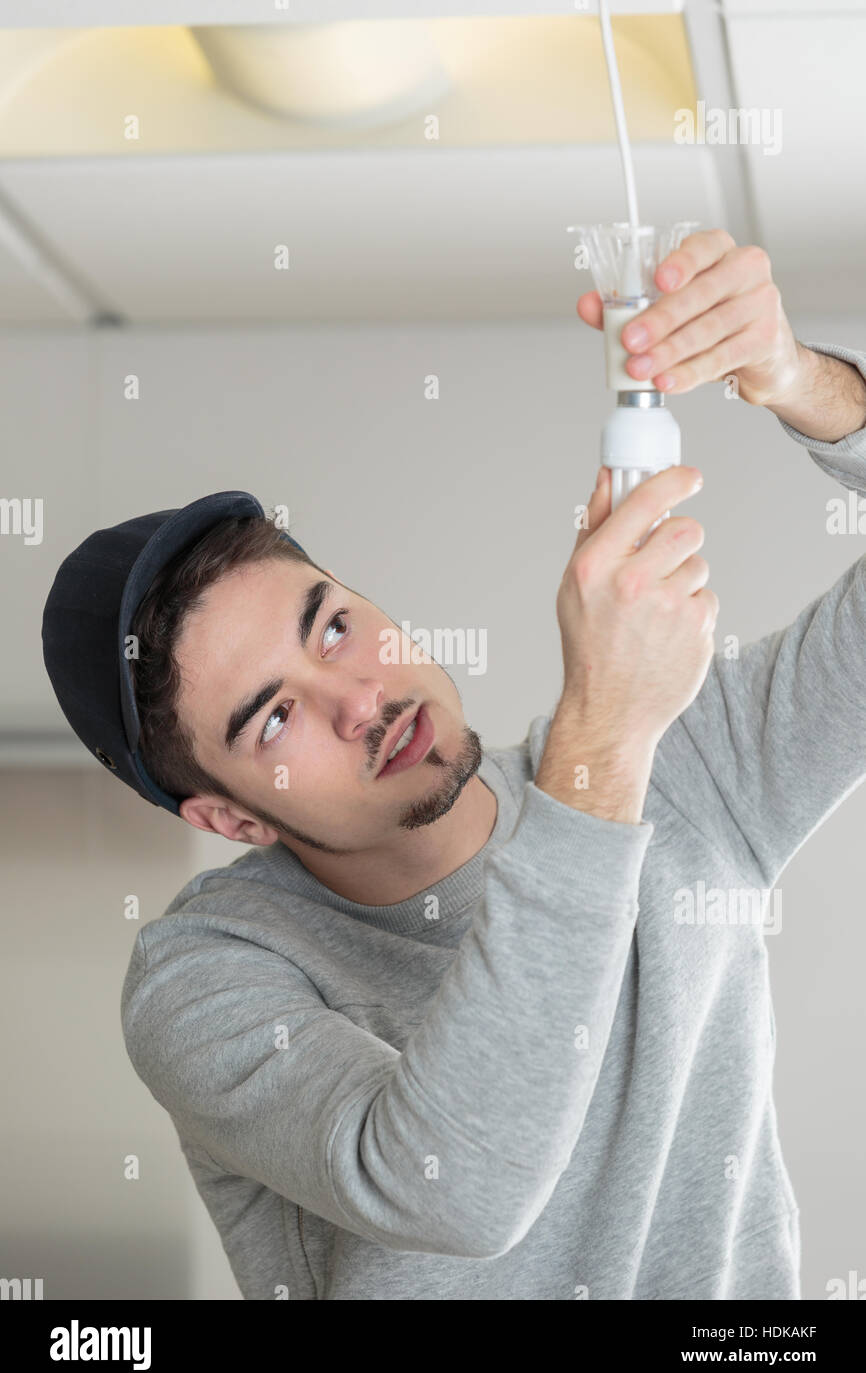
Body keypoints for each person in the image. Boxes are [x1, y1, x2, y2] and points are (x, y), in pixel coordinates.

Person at [41, 230, 866, 1299]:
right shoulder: (208, 974)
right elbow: (455, 1189)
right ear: (232, 818)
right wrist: (601, 741)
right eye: (275, 715)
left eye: (331, 625)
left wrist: (811, 385)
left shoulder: (688, 762)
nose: (359, 699)